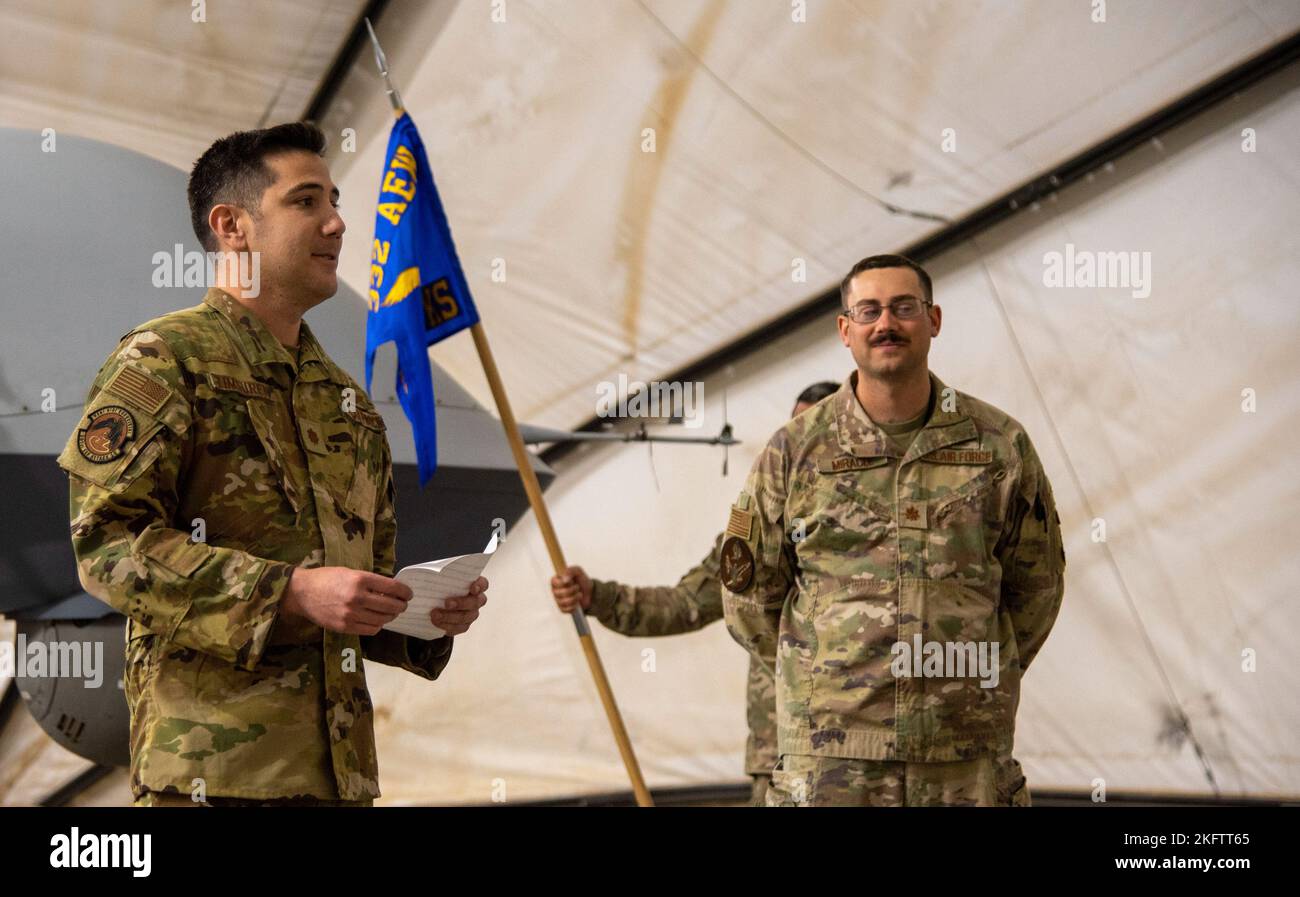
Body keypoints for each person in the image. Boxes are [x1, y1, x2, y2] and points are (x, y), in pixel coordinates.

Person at [58, 122, 488, 807]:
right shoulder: (165, 361)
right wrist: (289, 592)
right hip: (212, 778)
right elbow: (107, 547)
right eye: (307, 201)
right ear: (232, 226)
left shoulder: (346, 401)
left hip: (338, 780)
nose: (338, 222)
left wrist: (421, 617)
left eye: (335, 200)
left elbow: (357, 591)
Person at [721, 254, 1066, 806]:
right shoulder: (794, 451)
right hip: (831, 757)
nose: (886, 323)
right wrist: (823, 675)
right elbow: (747, 596)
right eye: (869, 310)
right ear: (845, 329)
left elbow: (1037, 587)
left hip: (963, 752)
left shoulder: (999, 444)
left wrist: (969, 680)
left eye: (904, 308)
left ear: (933, 320)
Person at [550, 382, 838, 806]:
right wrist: (598, 596)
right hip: (779, 759)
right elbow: (684, 605)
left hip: (866, 753)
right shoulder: (755, 537)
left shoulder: (883, 536)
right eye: (794, 434)